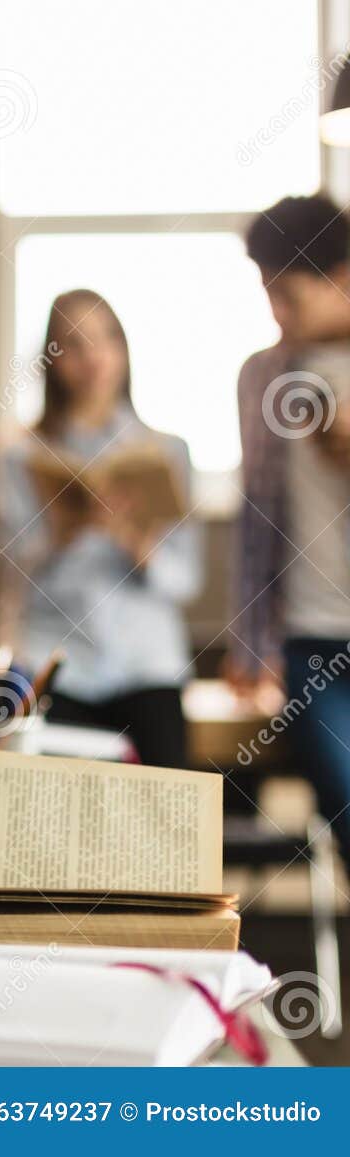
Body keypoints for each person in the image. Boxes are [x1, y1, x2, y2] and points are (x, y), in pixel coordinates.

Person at [0, 289, 202, 768]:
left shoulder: (166, 452)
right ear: (52, 359)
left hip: (147, 665)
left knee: (165, 801)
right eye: (74, 345)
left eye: (107, 339)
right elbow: (10, 570)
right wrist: (67, 531)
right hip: (57, 662)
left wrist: (134, 540)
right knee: (56, 803)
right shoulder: (19, 456)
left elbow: (186, 580)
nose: (94, 357)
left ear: (123, 348)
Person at [233, 194, 350, 871]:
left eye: (290, 295)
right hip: (309, 638)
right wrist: (250, 642)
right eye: (267, 293)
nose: (278, 313)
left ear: (342, 277)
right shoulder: (263, 376)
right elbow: (255, 520)